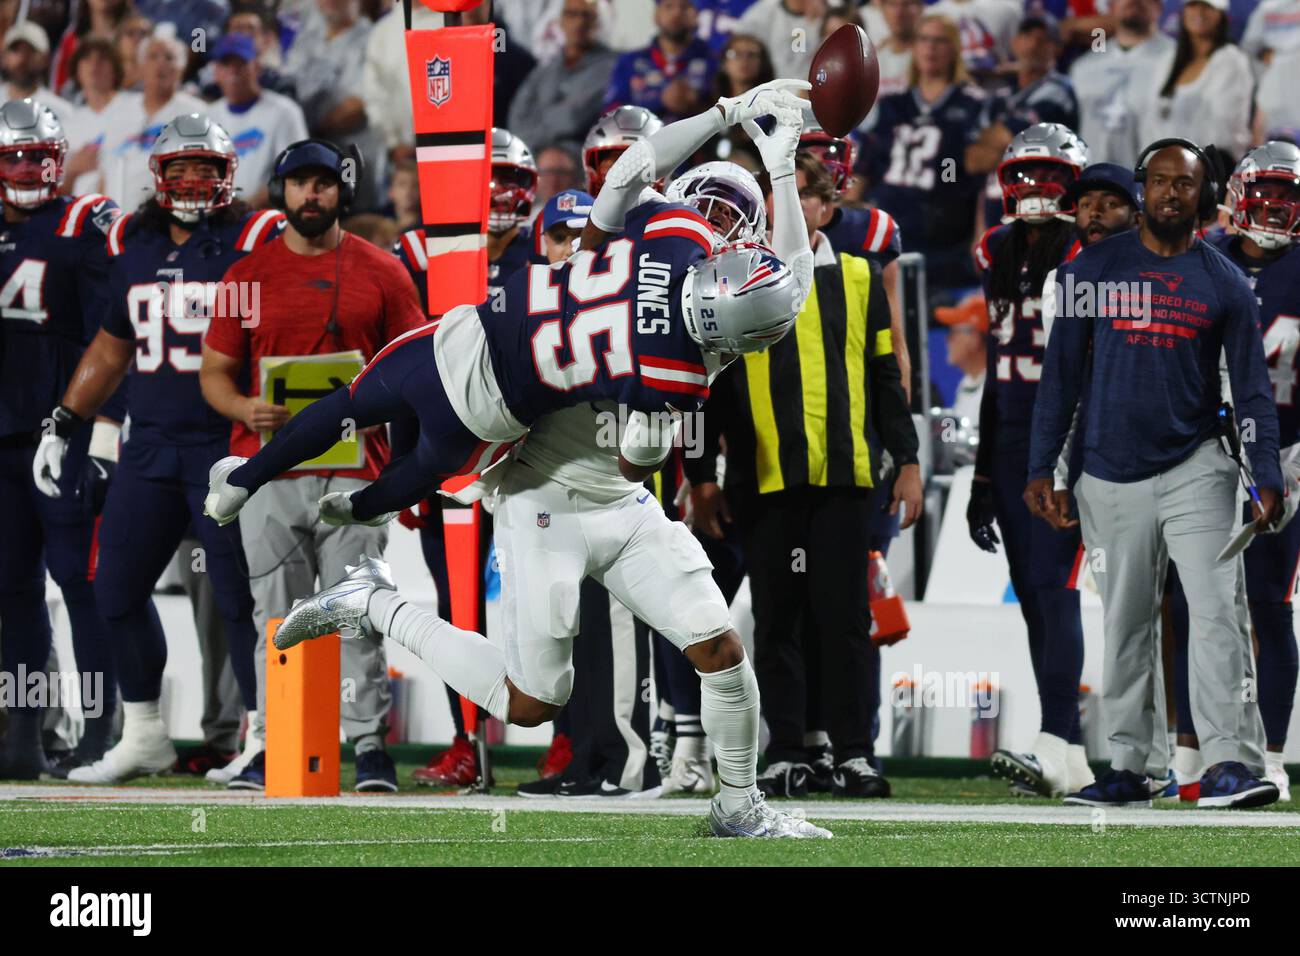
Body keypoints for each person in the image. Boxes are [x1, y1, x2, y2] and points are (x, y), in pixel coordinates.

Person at [264, 81, 835, 839]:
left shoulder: (731, 305)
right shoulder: (629, 247)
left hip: (626, 509)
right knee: (533, 704)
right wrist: (729, 116)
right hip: (544, 498)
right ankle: (375, 602)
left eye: (736, 221)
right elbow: (632, 178)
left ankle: (738, 806)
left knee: (722, 650)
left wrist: (784, 165)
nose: (719, 229)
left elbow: (793, 280)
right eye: (710, 211)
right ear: (680, 213)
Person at [1027, 138, 1283, 809]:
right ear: (1144, 188)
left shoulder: (1226, 281)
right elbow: (1061, 378)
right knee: (1126, 624)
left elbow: (1252, 391)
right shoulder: (1091, 271)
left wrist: (1265, 474)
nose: (1173, 193)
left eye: (1187, 183)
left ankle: (1232, 762)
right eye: (1162, 181)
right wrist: (1041, 467)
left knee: (1216, 614)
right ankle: (1135, 767)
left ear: (1205, 195)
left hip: (1198, 464)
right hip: (1108, 472)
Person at [33, 114, 280, 783]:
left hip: (224, 440)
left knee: (237, 597)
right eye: (182, 169)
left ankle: (265, 737)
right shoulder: (130, 242)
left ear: (228, 176)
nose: (194, 181)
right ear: (158, 176)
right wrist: (66, 420)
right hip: (151, 445)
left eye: (206, 168)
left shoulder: (257, 237)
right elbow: (112, 346)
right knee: (113, 587)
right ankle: (144, 733)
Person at [687, 150, 923, 799]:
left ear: (828, 208)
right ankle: (788, 746)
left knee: (844, 617)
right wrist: (702, 475)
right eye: (789, 197)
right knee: (778, 617)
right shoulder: (730, 278)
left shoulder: (858, 275)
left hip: (845, 477)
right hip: (764, 480)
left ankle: (853, 750)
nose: (800, 209)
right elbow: (709, 388)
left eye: (811, 197)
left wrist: (906, 460)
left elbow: (884, 376)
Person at [199, 138, 430, 792]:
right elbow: (214, 372)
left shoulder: (382, 271)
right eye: (299, 184)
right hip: (269, 472)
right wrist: (245, 408)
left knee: (355, 605)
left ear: (342, 191)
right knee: (274, 611)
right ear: (280, 192)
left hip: (357, 469)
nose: (311, 195)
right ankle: (277, 742)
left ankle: (368, 746)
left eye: (322, 184)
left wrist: (407, 469)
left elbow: (416, 367)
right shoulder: (247, 276)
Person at [1164, 142, 1300, 803]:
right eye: (1266, 191)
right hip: (1200, 450)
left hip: (1286, 452)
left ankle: (1269, 753)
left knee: (1269, 606)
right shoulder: (1199, 256)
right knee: (1195, 602)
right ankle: (1192, 746)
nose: (1277, 206)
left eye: (1289, 195)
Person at [966, 124, 1092, 799]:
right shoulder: (997, 251)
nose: (1039, 189)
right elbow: (993, 368)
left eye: (1052, 176)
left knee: (1054, 587)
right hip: (1012, 434)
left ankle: (1060, 738)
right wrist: (984, 476)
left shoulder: (1088, 251)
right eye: (1028, 174)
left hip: (1066, 437)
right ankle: (1066, 749)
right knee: (1034, 599)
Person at [0, 98, 120, 779]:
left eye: (35, 157)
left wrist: (104, 432)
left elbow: (119, 336)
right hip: (4, 435)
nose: (23, 168)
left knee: (79, 581)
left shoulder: (84, 222)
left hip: (62, 431)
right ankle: (26, 730)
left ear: (58, 159)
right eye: (12, 157)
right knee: (13, 588)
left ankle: (101, 729)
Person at [858, 13, 986, 305]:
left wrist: (981, 233)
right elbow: (866, 166)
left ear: (954, 48)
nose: (931, 48)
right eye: (924, 39)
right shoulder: (892, 105)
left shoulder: (972, 104)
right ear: (914, 48)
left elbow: (982, 178)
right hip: (893, 231)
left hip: (946, 237)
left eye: (940, 40)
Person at [283, 0, 384, 211]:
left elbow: (357, 107)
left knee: (354, 227)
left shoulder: (373, 37)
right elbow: (287, 85)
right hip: (314, 157)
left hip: (354, 155)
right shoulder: (306, 38)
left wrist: (307, 131)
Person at [95, 29, 204, 208]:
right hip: (116, 221)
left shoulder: (195, 113)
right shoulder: (118, 110)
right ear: (139, 67)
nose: (161, 63)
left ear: (181, 69)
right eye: (153, 56)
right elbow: (105, 172)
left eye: (169, 57)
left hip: (165, 221)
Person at [1137, 0, 1253, 166]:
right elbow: (1150, 121)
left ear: (1221, 15)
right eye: (1193, 5)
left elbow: (1224, 130)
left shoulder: (1231, 60)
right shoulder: (1167, 60)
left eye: (1207, 6)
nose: (1199, 12)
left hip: (1210, 169)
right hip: (1161, 167)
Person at [205, 32, 309, 207]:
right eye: (226, 63)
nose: (233, 70)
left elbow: (295, 172)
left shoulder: (285, 111)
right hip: (220, 218)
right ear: (215, 72)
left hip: (268, 218)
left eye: (241, 62)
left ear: (257, 67)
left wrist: (246, 210)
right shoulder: (207, 117)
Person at [1069, 0, 1174, 166]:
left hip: (1153, 179)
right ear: (1111, 6)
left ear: (1159, 7)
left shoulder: (1178, 62)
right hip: (1092, 180)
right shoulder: (1083, 67)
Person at [505, 0, 618, 154]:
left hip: (578, 158)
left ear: (599, 22)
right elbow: (517, 116)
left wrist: (536, 130)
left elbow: (573, 119)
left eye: (587, 15)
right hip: (533, 154)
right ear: (560, 21)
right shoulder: (546, 69)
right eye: (571, 14)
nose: (579, 22)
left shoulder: (611, 66)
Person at [603, 0, 715, 123]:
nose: (676, 13)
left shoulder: (713, 60)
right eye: (668, 6)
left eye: (684, 7)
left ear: (697, 14)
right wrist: (658, 101)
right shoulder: (630, 62)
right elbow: (610, 113)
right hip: (643, 139)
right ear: (656, 15)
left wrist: (696, 105)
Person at [2, 21, 75, 118]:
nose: (22, 58)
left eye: (30, 51)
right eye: (15, 50)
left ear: (45, 59)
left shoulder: (62, 112)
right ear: (4, 57)